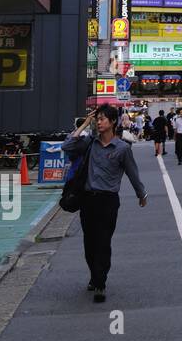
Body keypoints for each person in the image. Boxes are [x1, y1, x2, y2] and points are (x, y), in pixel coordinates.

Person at [62, 105, 148, 303]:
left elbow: (132, 173)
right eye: (97, 119)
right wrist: (84, 124)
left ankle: (100, 282)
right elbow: (66, 147)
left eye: (102, 119)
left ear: (113, 122)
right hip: (87, 199)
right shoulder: (89, 143)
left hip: (108, 201)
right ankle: (94, 275)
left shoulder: (122, 148)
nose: (99, 122)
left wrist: (141, 194)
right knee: (89, 243)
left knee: (103, 242)